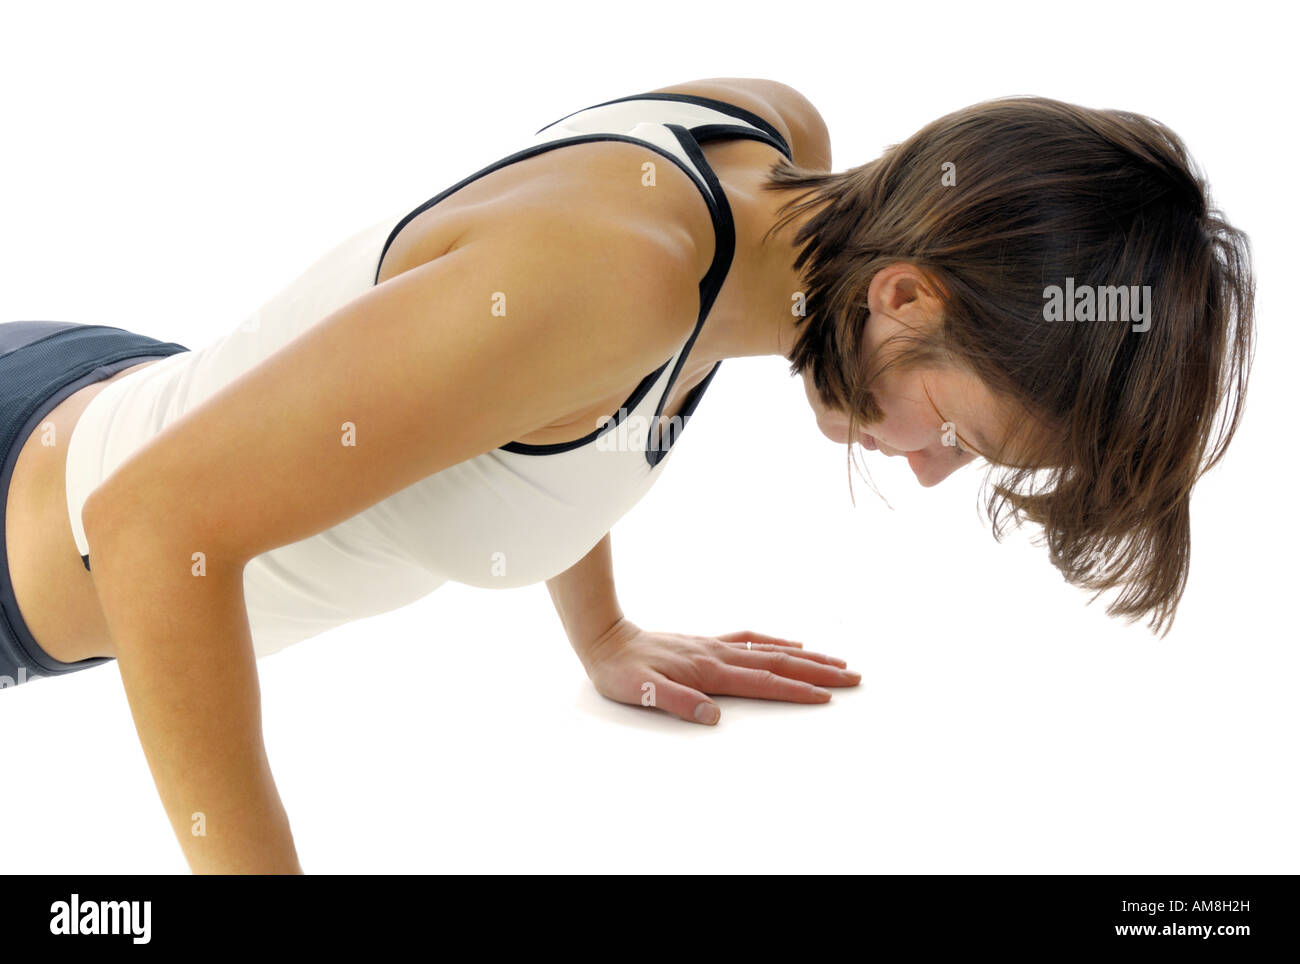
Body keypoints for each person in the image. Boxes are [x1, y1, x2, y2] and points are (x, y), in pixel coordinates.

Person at [0, 78, 1254, 873]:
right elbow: (155, 529)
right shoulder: (623, 284)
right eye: (961, 434)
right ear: (906, 292)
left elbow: (534, 389)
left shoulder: (766, 149)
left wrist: (600, 626)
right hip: (31, 540)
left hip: (94, 382)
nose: (928, 471)